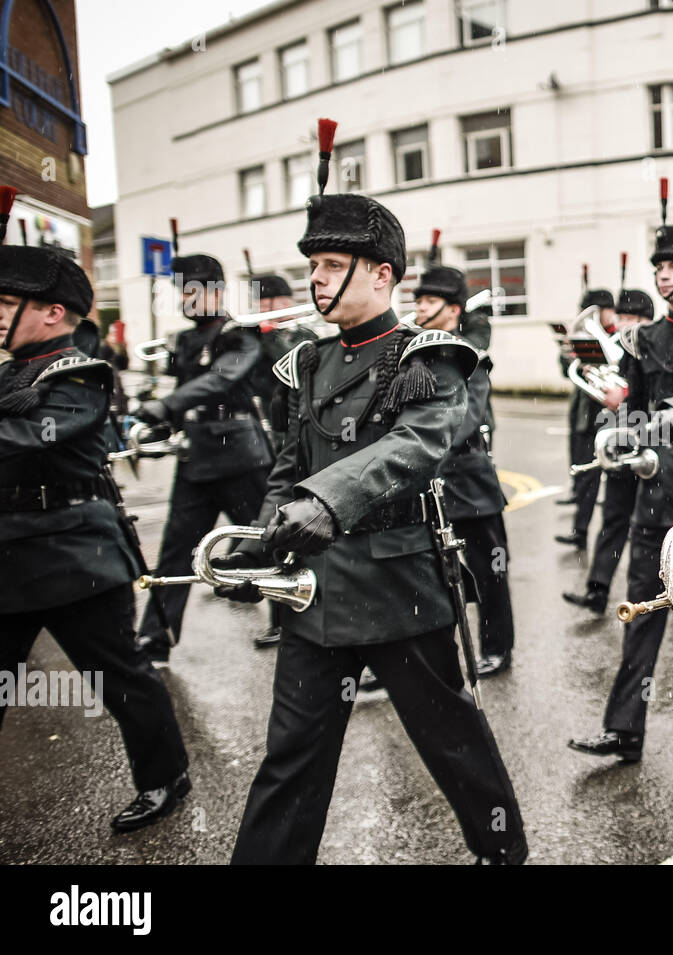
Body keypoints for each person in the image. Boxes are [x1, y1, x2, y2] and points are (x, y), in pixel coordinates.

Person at [217, 121, 526, 864]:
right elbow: (286, 468)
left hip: (398, 585)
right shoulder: (309, 363)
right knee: (290, 758)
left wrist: (325, 502)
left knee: (451, 739)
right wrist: (260, 541)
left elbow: (415, 447)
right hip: (313, 594)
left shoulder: (427, 358)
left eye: (332, 265)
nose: (316, 281)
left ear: (383, 274)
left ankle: (503, 852)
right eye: (313, 266)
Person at [0, 214, 191, 833]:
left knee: (119, 678)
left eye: (6, 303)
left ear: (54, 313)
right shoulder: (8, 374)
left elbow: (27, 435)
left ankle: (165, 775)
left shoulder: (79, 373)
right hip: (9, 554)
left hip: (75, 556)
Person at [567, 178, 673, 762]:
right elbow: (630, 409)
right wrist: (616, 411)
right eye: (660, 265)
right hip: (652, 498)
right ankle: (626, 730)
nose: (664, 275)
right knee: (639, 617)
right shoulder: (641, 338)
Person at [133, 231, 272, 664]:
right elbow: (187, 390)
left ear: (216, 290)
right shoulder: (186, 341)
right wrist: (158, 419)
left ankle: (293, 625)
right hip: (197, 459)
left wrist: (166, 405)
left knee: (268, 542)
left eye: (192, 290)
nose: (184, 300)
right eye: (181, 291)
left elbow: (222, 379)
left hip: (240, 457)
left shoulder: (240, 334)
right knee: (176, 549)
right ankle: (154, 637)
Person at [414, 259, 516, 678]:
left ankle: (497, 648)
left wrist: (415, 437)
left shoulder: (470, 356)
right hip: (426, 482)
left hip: (467, 481)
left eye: (430, 302)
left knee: (489, 573)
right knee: (427, 576)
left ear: (453, 310)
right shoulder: (414, 352)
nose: (419, 309)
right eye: (418, 301)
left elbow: (465, 421)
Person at [562, 287, 655, 614]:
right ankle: (597, 590)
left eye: (634, 317)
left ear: (647, 320)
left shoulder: (655, 348)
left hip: (651, 451)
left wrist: (625, 395)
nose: (627, 323)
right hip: (618, 445)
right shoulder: (615, 347)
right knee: (613, 518)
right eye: (623, 316)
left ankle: (658, 596)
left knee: (653, 527)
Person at [246, 270, 316, 650]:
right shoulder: (253, 337)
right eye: (261, 303)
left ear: (288, 303)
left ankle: (286, 616)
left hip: (296, 443)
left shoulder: (303, 336)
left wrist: (270, 332)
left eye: (272, 302)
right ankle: (277, 613)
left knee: (287, 531)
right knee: (269, 529)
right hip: (266, 441)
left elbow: (284, 363)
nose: (265, 309)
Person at [556, 287, 617, 547]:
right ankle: (579, 531)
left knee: (603, 481)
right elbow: (566, 371)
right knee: (583, 475)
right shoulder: (585, 337)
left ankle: (591, 535)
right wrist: (568, 353)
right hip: (582, 414)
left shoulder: (617, 338)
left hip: (606, 418)